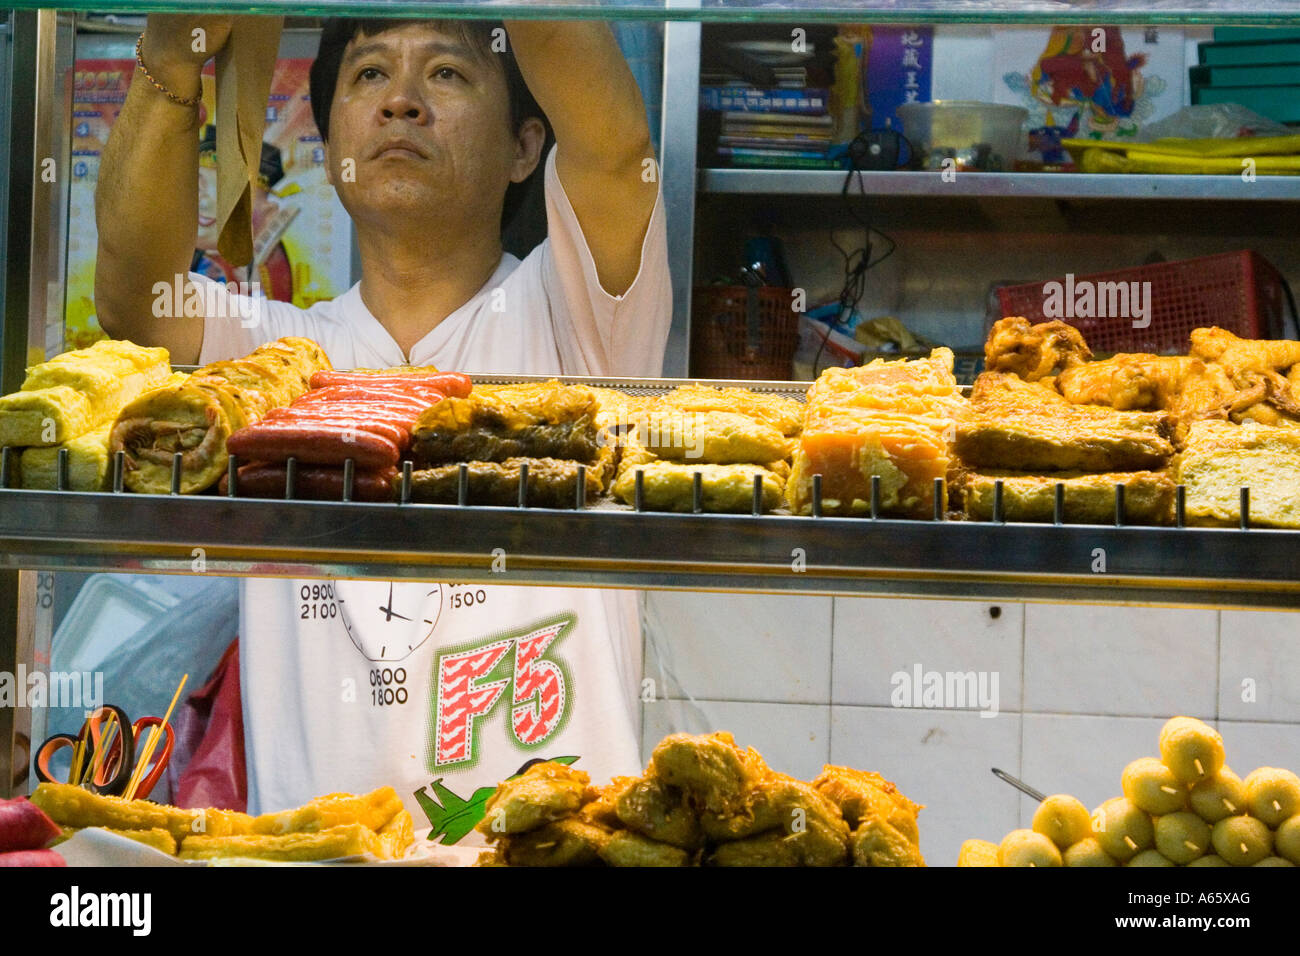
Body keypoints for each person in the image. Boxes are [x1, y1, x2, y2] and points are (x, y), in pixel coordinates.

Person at [94, 15, 671, 842]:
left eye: (447, 74)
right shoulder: (271, 361)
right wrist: (172, 49)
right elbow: (133, 298)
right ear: (331, 150)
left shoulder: (580, 320)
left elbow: (614, 148)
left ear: (524, 148)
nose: (400, 102)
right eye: (368, 76)